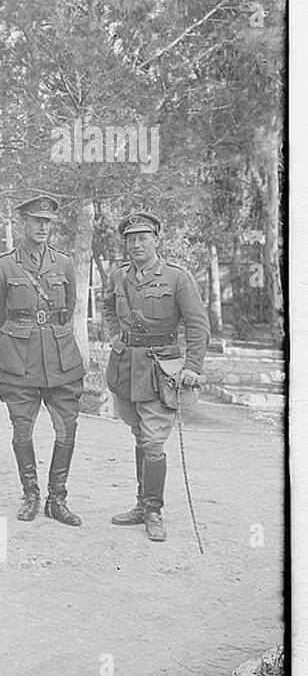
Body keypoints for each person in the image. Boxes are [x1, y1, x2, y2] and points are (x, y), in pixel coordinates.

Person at [102, 210, 209, 542]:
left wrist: (192, 367)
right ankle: (140, 504)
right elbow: (107, 306)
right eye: (131, 239)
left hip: (161, 368)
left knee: (153, 442)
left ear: (156, 241)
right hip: (125, 368)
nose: (136, 245)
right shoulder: (118, 276)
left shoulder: (177, 277)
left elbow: (198, 324)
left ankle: (153, 511)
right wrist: (115, 334)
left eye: (142, 238)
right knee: (139, 437)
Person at [0, 195, 85, 526]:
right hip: (18, 358)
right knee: (22, 430)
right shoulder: (3, 265)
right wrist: (20, 333)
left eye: (47, 222)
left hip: (60, 358)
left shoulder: (64, 263)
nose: (42, 227)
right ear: (23, 224)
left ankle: (57, 499)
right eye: (36, 221)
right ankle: (31, 495)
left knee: (66, 428)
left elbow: (67, 309)